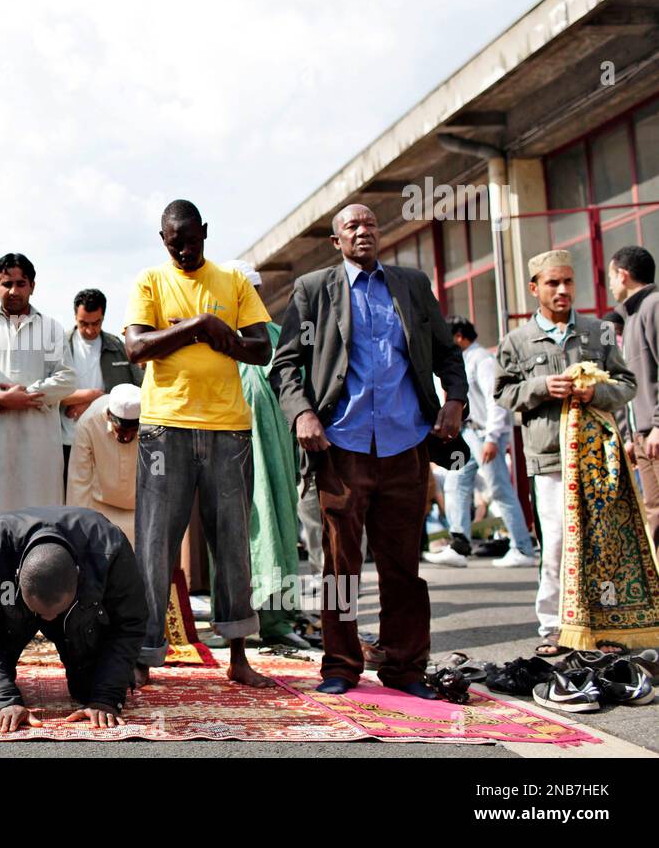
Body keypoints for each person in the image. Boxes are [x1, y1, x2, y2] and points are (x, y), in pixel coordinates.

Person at [271, 203, 467, 698]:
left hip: (406, 444)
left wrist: (456, 402)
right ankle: (340, 665)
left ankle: (405, 668)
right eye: (352, 226)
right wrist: (303, 414)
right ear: (336, 241)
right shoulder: (315, 289)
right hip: (342, 445)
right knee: (340, 565)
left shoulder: (412, 285)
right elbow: (286, 363)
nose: (364, 231)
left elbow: (446, 352)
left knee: (403, 566)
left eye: (370, 223)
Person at [124, 200, 274, 689]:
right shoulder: (150, 281)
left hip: (228, 428)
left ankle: (237, 654)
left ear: (206, 232)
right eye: (174, 242)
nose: (185, 250)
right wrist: (201, 327)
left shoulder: (232, 282)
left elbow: (260, 348)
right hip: (165, 428)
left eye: (192, 240)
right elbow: (136, 348)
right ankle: (145, 655)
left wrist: (217, 336)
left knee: (231, 543)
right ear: (161, 239)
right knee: (154, 545)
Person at [495, 250, 640, 656]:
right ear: (534, 288)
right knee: (557, 543)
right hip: (550, 458)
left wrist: (599, 393)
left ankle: (608, 624)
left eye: (569, 282)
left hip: (597, 458)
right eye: (553, 283)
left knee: (602, 541)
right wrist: (541, 388)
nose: (562, 290)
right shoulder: (516, 342)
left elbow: (628, 384)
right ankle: (553, 627)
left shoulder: (599, 332)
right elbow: (503, 393)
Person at [0, 506, 147, 732]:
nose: (48, 618)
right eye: (42, 612)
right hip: (8, 620)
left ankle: (124, 671)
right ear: (17, 578)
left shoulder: (109, 547)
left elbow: (129, 623)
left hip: (79, 620)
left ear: (79, 575)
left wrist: (107, 698)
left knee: (92, 688)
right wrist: (3, 699)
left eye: (54, 611)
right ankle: (2, 674)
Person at [222, 259, 308, 649]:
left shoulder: (281, 338)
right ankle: (234, 624)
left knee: (278, 531)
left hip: (275, 458)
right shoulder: (216, 341)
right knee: (233, 537)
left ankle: (278, 623)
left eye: (250, 293)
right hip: (227, 456)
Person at [0, 253, 76, 527]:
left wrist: (27, 396)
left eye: (21, 283)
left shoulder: (50, 329)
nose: (13, 291)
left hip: (38, 445)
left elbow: (67, 378)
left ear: (32, 286)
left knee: (40, 524)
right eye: (6, 283)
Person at [422, 316, 537, 569]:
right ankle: (459, 543)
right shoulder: (467, 360)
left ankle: (523, 548)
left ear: (459, 337)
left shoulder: (482, 360)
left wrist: (494, 438)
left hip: (485, 435)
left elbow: (495, 400)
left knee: (499, 490)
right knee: (456, 483)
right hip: (471, 435)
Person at [59, 289, 145, 475]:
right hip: (65, 440)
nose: (90, 330)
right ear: (75, 316)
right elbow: (47, 392)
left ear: (103, 317)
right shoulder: (58, 346)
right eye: (83, 323)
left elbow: (137, 390)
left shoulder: (118, 347)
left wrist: (90, 404)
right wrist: (92, 395)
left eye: (96, 323)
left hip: (106, 439)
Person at [609, 246, 659, 537]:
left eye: (612, 276)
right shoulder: (630, 317)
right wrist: (630, 438)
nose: (611, 284)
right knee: (654, 513)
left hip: (653, 433)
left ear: (623, 275)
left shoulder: (653, 306)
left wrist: (656, 425)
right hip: (642, 438)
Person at [65, 383, 141, 542]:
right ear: (108, 417)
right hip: (99, 511)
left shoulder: (152, 427)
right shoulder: (88, 423)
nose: (126, 437)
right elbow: (78, 482)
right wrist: (77, 532)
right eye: (121, 431)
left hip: (140, 513)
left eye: (132, 431)